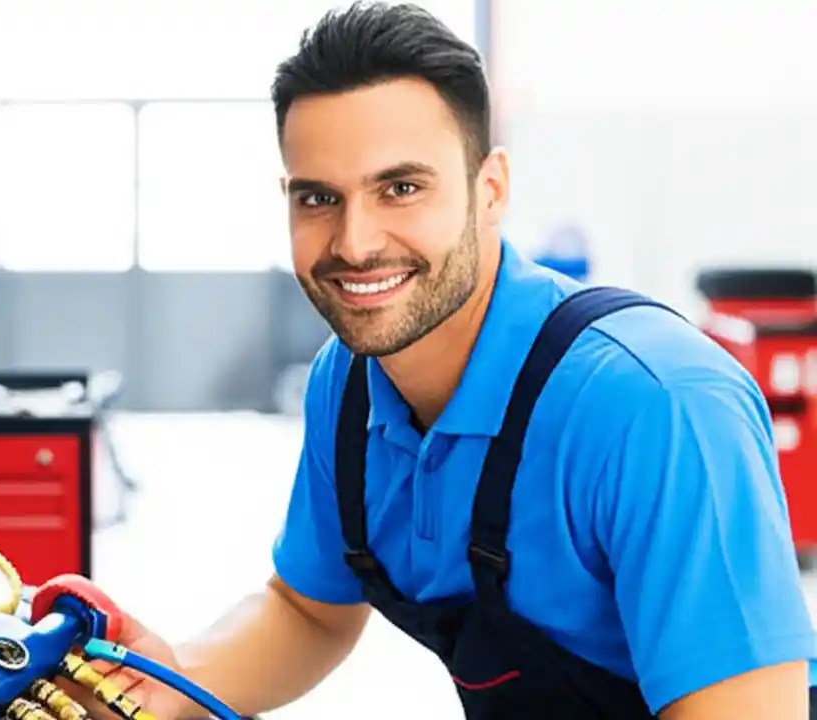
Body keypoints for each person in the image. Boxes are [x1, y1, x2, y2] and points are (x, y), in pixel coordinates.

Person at [65, 2, 817, 718]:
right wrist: (169, 682)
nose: (355, 243)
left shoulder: (654, 407)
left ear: (489, 189)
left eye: (401, 188)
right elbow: (308, 612)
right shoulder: (351, 383)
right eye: (318, 198)